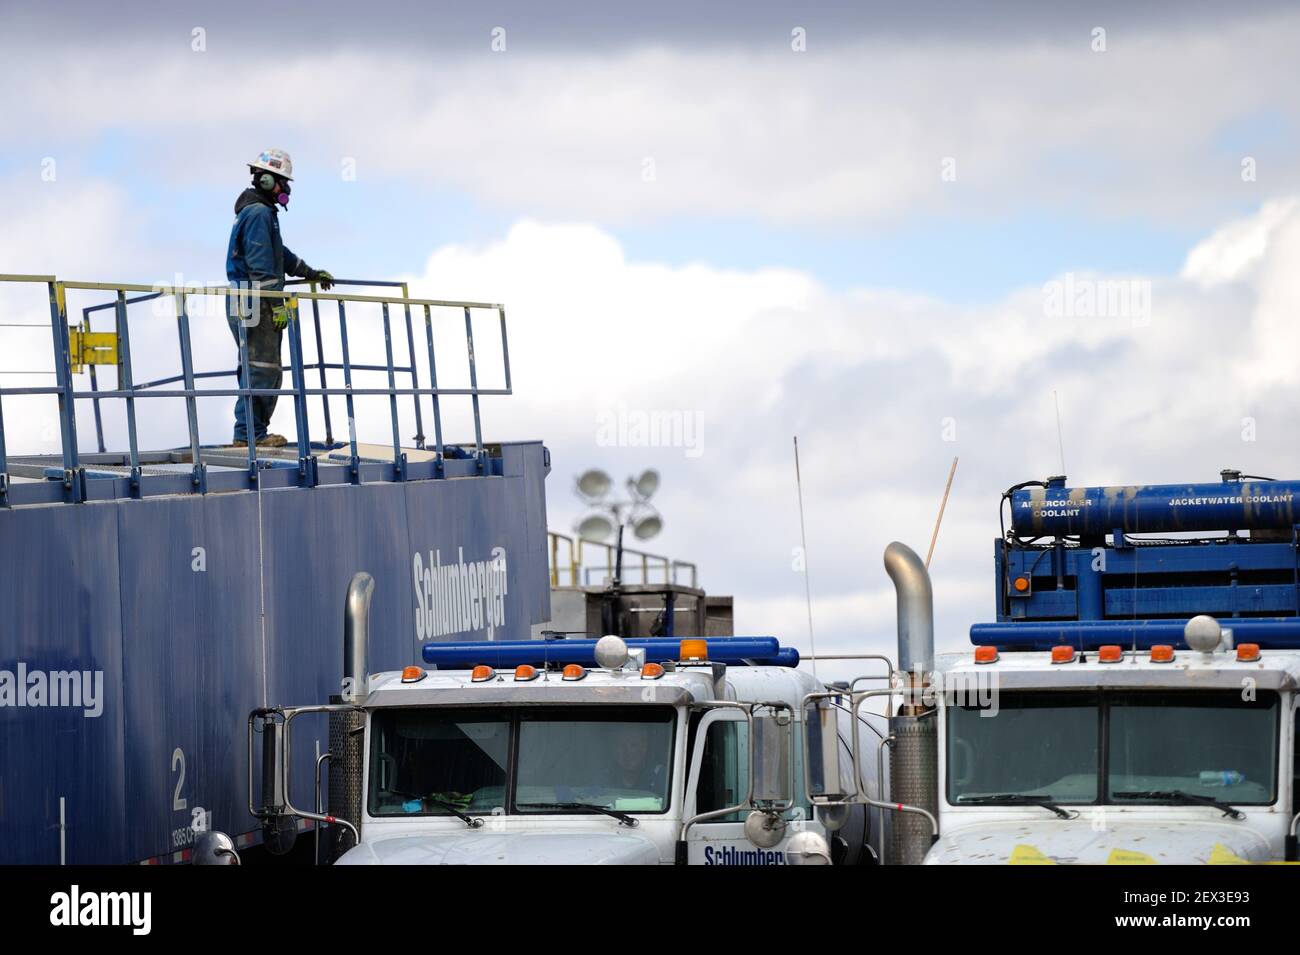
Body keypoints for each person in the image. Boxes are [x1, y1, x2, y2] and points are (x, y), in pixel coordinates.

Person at [225, 148, 334, 447]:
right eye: (282, 182)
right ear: (266, 182)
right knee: (262, 368)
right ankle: (249, 435)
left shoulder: (261, 212)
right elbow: (261, 268)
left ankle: (250, 432)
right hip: (254, 300)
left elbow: (278, 255)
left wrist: (308, 271)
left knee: (260, 367)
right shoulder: (259, 213)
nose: (286, 189)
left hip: (252, 299)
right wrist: (276, 305)